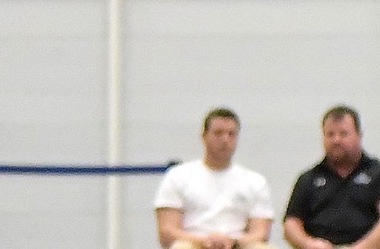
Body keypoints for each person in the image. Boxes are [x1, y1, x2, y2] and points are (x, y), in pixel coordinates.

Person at [153, 107, 273, 249]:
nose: (225, 140)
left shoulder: (255, 182)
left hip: (237, 245)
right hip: (194, 243)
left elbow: (261, 233)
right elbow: (167, 232)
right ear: (204, 136)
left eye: (231, 134)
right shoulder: (177, 177)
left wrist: (232, 242)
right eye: (218, 133)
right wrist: (204, 241)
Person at [284, 106, 380, 249]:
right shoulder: (309, 178)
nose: (336, 140)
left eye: (343, 134)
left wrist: (363, 247)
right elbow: (291, 223)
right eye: (330, 134)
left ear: (359, 135)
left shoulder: (376, 173)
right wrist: (309, 243)